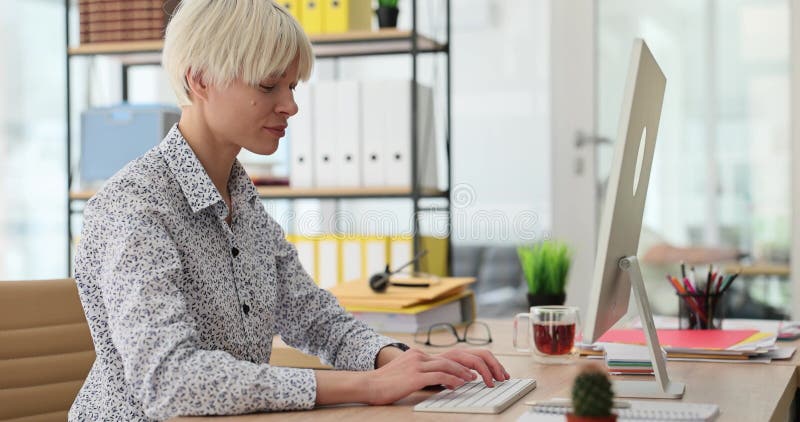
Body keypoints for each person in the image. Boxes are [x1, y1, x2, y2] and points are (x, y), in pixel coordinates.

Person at [68, 1, 509, 420]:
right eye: (268, 86)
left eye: (292, 86)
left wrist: (407, 364)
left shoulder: (242, 200)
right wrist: (367, 386)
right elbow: (170, 381)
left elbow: (311, 316)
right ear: (199, 79)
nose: (290, 106)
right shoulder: (134, 206)